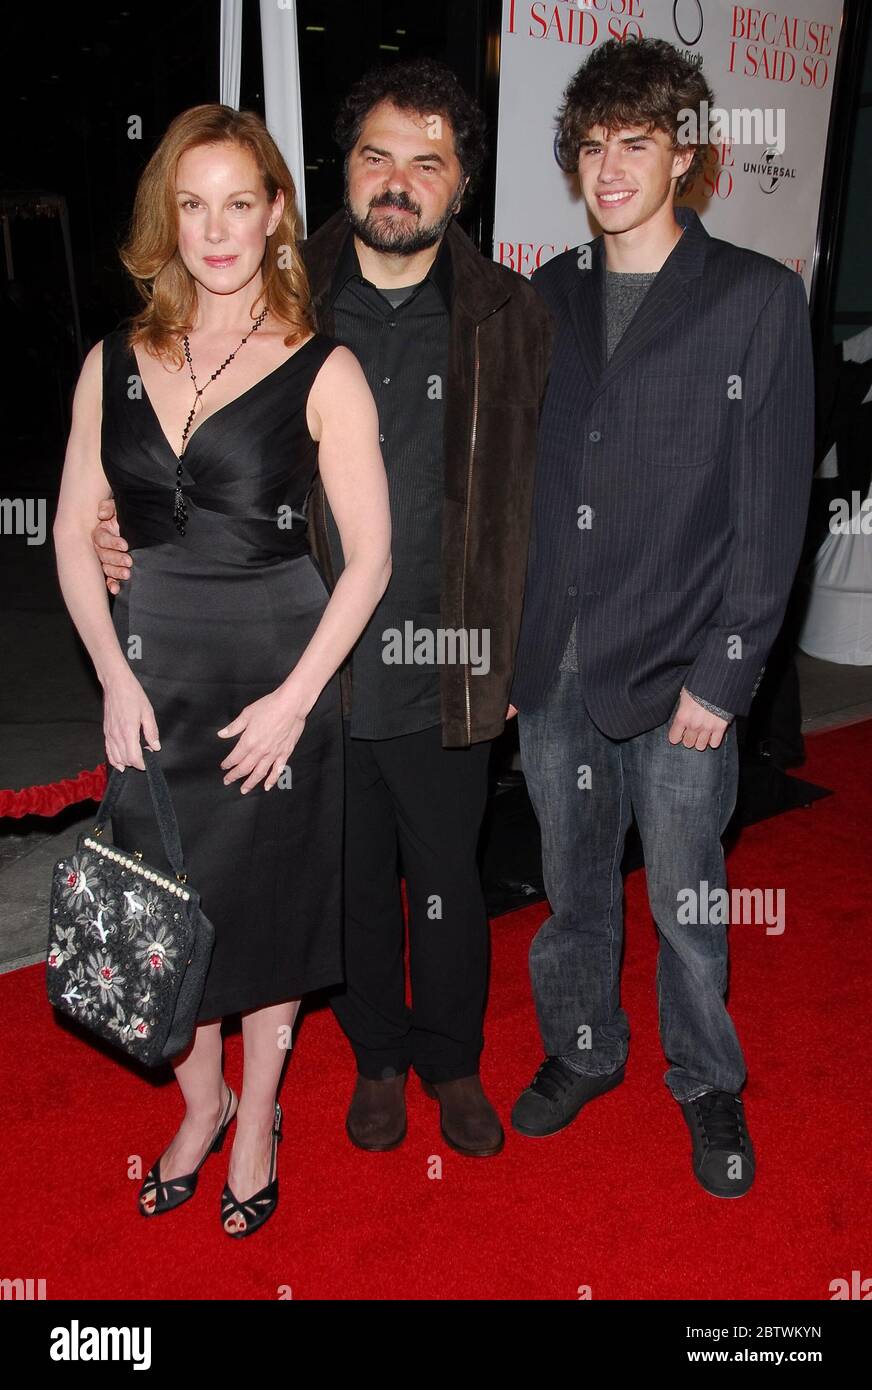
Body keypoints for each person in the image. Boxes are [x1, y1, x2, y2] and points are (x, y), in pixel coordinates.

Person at [93, 59, 553, 1159]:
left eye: (426, 163)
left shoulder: (510, 319)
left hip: (445, 657)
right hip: (302, 668)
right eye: (375, 156)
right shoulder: (287, 292)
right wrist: (125, 528)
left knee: (447, 878)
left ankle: (449, 1058)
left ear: (462, 184)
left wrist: (529, 658)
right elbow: (177, 431)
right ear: (339, 173)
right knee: (339, 885)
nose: (398, 181)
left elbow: (545, 494)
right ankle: (378, 1059)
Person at [53, 103, 391, 1235]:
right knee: (161, 911)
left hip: (272, 682)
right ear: (167, 218)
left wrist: (297, 705)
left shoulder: (324, 368)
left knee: (266, 915)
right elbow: (71, 528)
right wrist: (109, 670)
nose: (215, 229)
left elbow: (369, 557)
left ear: (276, 214)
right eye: (191, 205)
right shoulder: (112, 358)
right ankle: (200, 1103)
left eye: (238, 202)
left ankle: (257, 1120)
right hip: (151, 680)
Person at [508, 38, 814, 1196]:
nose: (609, 168)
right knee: (570, 884)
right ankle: (583, 1050)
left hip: (684, 666)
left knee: (686, 901)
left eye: (634, 142)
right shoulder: (547, 296)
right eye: (590, 146)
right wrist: (506, 649)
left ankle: (705, 1082)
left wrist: (722, 678)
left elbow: (768, 508)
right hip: (555, 669)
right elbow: (524, 496)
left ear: (683, 155)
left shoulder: (752, 298)